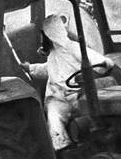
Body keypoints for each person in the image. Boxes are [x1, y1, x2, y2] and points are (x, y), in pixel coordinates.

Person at [20, 13, 113, 151]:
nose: (41, 40)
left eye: (43, 36)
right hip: (58, 100)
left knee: (93, 119)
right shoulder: (53, 54)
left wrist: (100, 66)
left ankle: (96, 144)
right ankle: (64, 151)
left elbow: (100, 62)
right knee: (54, 118)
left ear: (51, 35)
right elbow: (48, 70)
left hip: (78, 95)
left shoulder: (74, 48)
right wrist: (30, 68)